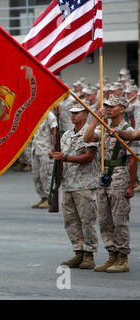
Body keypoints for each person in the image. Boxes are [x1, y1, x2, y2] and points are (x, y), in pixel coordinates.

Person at [84, 94, 137, 273]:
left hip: (119, 176)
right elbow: (87, 138)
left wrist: (131, 185)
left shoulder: (127, 129)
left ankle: (123, 257)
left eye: (112, 106)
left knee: (119, 219)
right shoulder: (104, 127)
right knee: (105, 219)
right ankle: (111, 254)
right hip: (103, 176)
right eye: (107, 106)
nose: (108, 108)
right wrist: (95, 119)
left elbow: (133, 160)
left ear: (122, 109)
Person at [50, 105, 99, 269]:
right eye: (71, 113)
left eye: (76, 113)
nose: (72, 116)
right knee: (71, 221)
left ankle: (89, 254)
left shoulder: (90, 133)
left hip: (84, 184)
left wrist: (66, 158)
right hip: (68, 184)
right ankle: (78, 252)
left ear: (85, 115)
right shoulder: (67, 135)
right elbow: (61, 158)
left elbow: (89, 157)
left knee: (87, 220)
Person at [31, 111, 57, 208]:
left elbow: (55, 132)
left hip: (46, 149)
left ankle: (48, 197)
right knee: (36, 175)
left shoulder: (50, 116)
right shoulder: (35, 115)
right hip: (35, 149)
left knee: (45, 175)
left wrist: (54, 148)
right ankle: (42, 197)